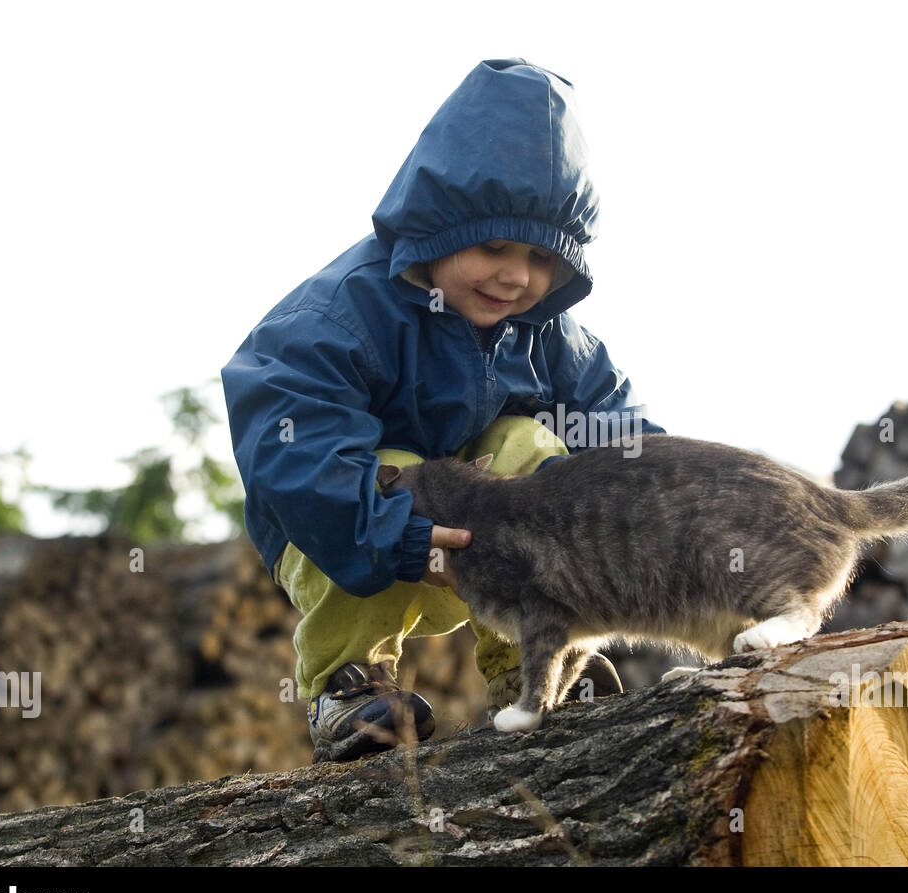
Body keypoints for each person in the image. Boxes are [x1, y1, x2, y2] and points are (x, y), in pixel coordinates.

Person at [221, 58, 665, 763]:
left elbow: (623, 433)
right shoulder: (339, 315)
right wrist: (401, 535)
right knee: (398, 470)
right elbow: (293, 447)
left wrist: (676, 507)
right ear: (438, 225)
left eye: (542, 258)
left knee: (529, 447)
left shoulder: (544, 332)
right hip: (346, 539)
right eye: (494, 246)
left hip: (477, 547)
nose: (517, 276)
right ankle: (350, 687)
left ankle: (535, 668)